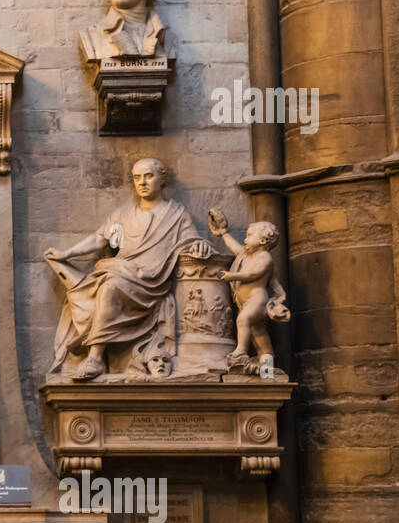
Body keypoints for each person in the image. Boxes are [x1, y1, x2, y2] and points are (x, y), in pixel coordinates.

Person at [44, 158, 210, 380]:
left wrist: (200, 244)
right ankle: (95, 356)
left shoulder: (177, 215)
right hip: (122, 270)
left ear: (162, 180)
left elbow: (192, 240)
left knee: (110, 284)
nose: (142, 182)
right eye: (136, 177)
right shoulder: (124, 214)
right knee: (106, 282)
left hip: (153, 279)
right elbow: (99, 240)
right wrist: (67, 254)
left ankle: (95, 357)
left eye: (148, 176)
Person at [208, 210, 290, 372]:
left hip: (257, 299)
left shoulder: (264, 258)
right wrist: (224, 233)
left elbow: (253, 274)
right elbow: (235, 247)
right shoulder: (247, 255)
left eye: (249, 235)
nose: (245, 239)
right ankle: (267, 366)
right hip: (246, 302)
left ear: (262, 240)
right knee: (259, 334)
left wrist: (232, 276)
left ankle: (240, 351)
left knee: (243, 319)